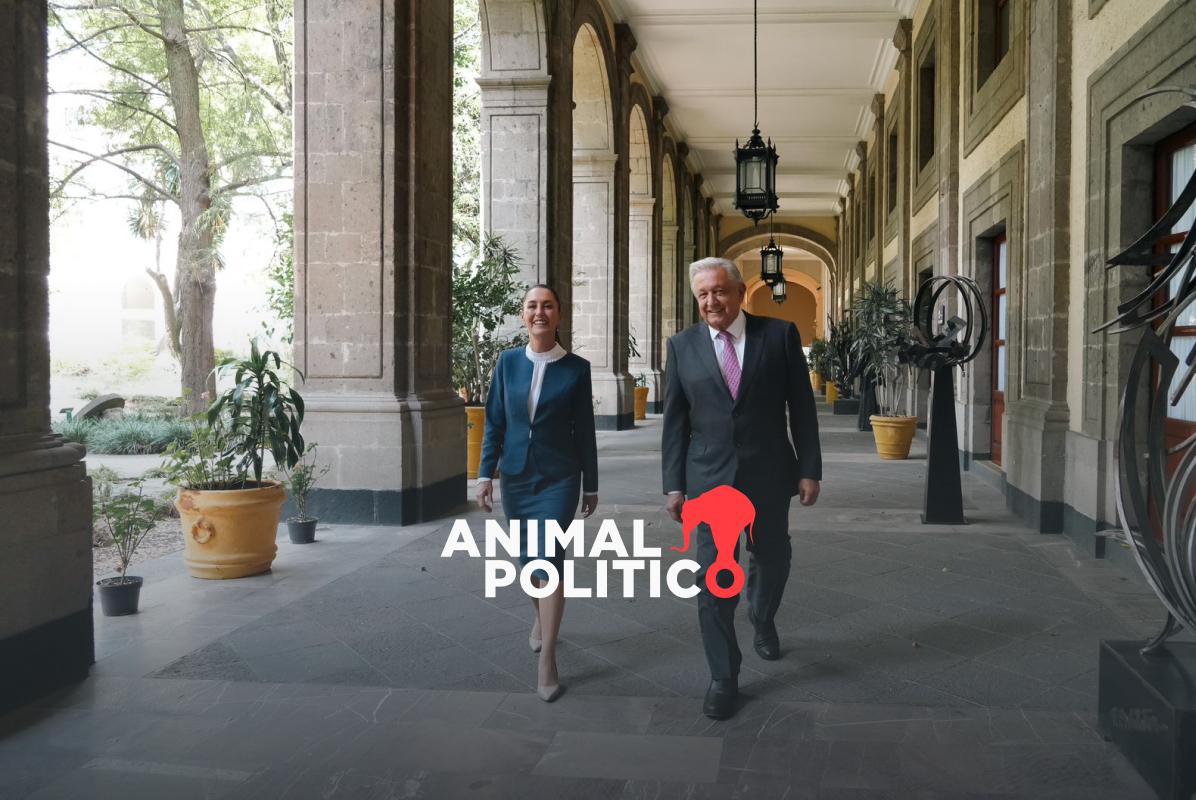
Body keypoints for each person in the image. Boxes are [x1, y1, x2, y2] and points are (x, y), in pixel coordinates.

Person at [661, 257, 822, 720]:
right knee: (712, 581)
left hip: (769, 474)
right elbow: (675, 422)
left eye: (719, 291)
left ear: (739, 291)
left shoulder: (779, 336)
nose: (712, 301)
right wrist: (674, 485)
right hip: (710, 482)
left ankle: (762, 616)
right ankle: (723, 676)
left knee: (772, 558)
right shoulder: (682, 346)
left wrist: (809, 468)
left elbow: (802, 407)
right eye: (703, 295)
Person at [476, 284, 599, 703]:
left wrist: (591, 483)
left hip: (560, 479)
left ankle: (547, 657)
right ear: (523, 314)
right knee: (528, 561)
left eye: (547, 305)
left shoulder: (576, 369)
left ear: (559, 315)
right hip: (517, 478)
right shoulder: (507, 363)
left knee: (548, 558)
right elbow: (494, 422)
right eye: (532, 306)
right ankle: (540, 621)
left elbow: (585, 430)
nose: (539, 312)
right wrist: (484, 474)